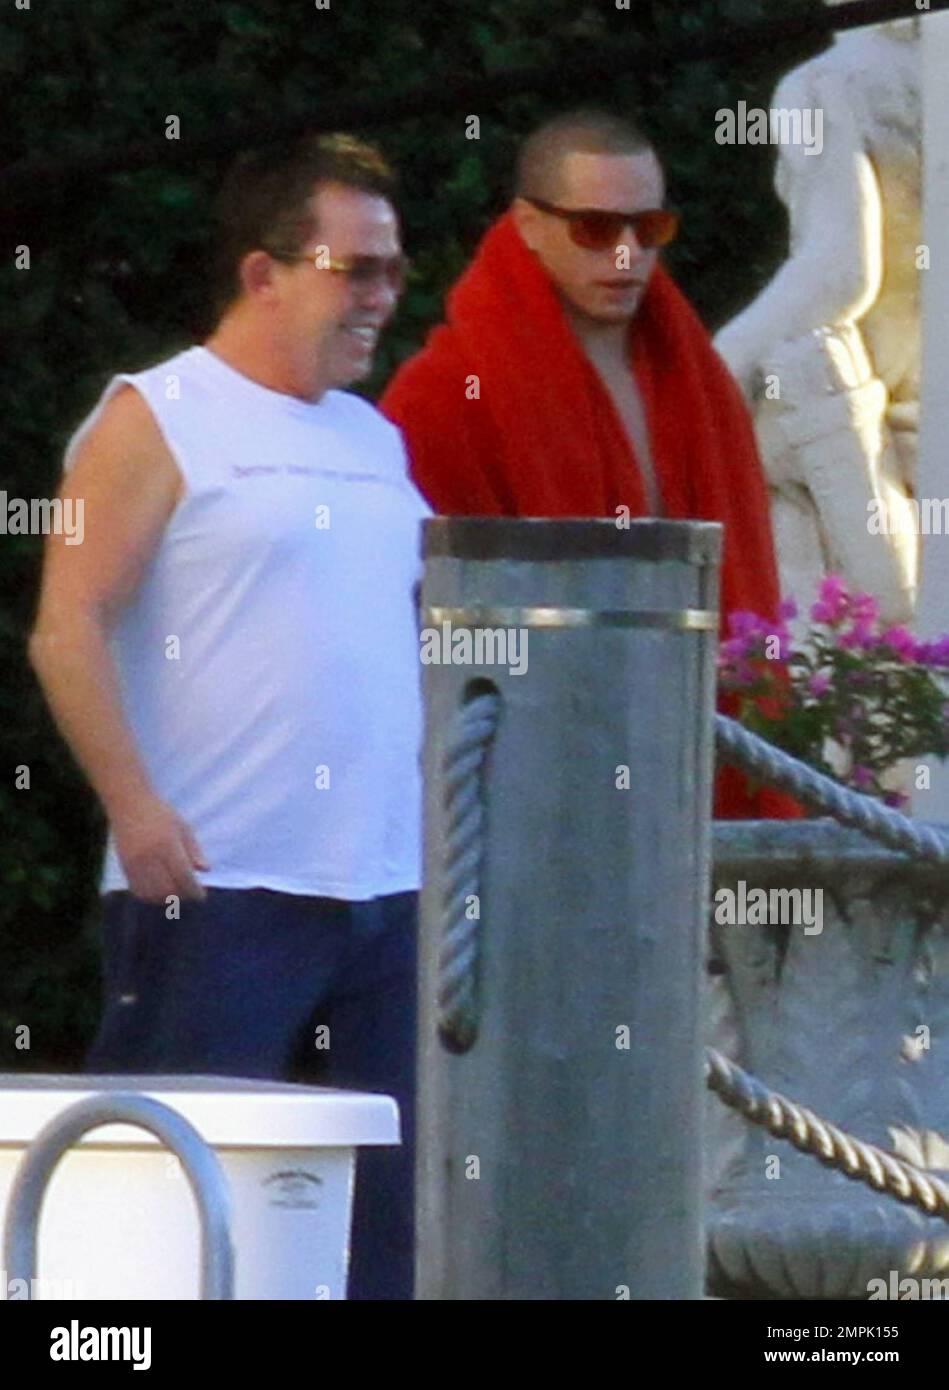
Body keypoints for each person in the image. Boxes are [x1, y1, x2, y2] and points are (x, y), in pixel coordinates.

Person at [28, 133, 430, 1300]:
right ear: (263, 273)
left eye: (393, 270)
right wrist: (134, 806)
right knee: (165, 1216)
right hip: (216, 885)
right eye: (353, 268)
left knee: (376, 1230)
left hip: (382, 891)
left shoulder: (374, 437)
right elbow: (67, 625)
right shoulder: (155, 417)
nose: (381, 297)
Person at [381, 108, 798, 818]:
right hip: (528, 784)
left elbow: (745, 590)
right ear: (527, 224)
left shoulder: (699, 385)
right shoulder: (443, 394)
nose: (626, 255)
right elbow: (414, 628)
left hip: (697, 758)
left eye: (649, 229)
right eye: (596, 229)